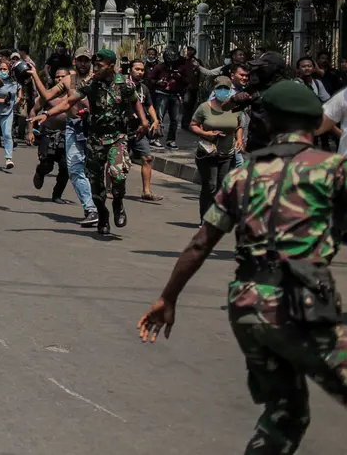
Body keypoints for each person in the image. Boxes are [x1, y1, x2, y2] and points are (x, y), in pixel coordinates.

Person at [138, 80, 347, 454]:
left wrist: (167, 299)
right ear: (315, 120)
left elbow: (200, 244)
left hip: (246, 306)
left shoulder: (241, 175)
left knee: (286, 413)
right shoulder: (332, 169)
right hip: (302, 304)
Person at [33, 49, 146, 235]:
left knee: (118, 175)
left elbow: (135, 102)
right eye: (95, 65)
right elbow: (69, 102)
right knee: (96, 185)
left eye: (99, 66)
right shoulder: (91, 84)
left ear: (111, 66)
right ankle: (102, 215)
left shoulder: (125, 84)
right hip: (95, 140)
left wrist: (144, 121)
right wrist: (46, 114)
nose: (95, 69)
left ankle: (118, 203)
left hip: (117, 137)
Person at [32, 48, 96, 225]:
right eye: (80, 60)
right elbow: (46, 96)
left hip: (94, 129)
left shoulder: (97, 79)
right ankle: (90, 208)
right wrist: (34, 75)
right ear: (75, 61)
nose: (83, 63)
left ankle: (103, 206)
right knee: (74, 168)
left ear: (91, 62)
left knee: (94, 170)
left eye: (87, 60)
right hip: (74, 127)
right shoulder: (69, 80)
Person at [189, 76, 243, 218]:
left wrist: (239, 139)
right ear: (215, 89)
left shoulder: (235, 108)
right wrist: (206, 133)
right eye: (220, 88)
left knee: (221, 186)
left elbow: (239, 126)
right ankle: (204, 218)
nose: (223, 91)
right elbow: (193, 125)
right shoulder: (204, 107)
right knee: (210, 185)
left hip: (227, 153)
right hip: (208, 153)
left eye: (226, 89)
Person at [30, 68, 71, 202]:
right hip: (48, 134)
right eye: (57, 76)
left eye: (63, 76)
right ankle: (40, 172)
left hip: (67, 135)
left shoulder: (74, 96)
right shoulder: (48, 95)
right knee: (47, 164)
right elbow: (33, 111)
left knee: (65, 167)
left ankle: (57, 194)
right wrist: (30, 131)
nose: (60, 79)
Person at [126, 58, 164, 202]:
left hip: (140, 130)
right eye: (137, 69)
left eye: (142, 70)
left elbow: (149, 106)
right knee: (116, 161)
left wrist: (155, 120)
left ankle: (146, 191)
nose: (140, 72)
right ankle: (110, 189)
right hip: (122, 129)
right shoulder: (122, 86)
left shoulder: (144, 88)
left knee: (147, 158)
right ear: (130, 70)